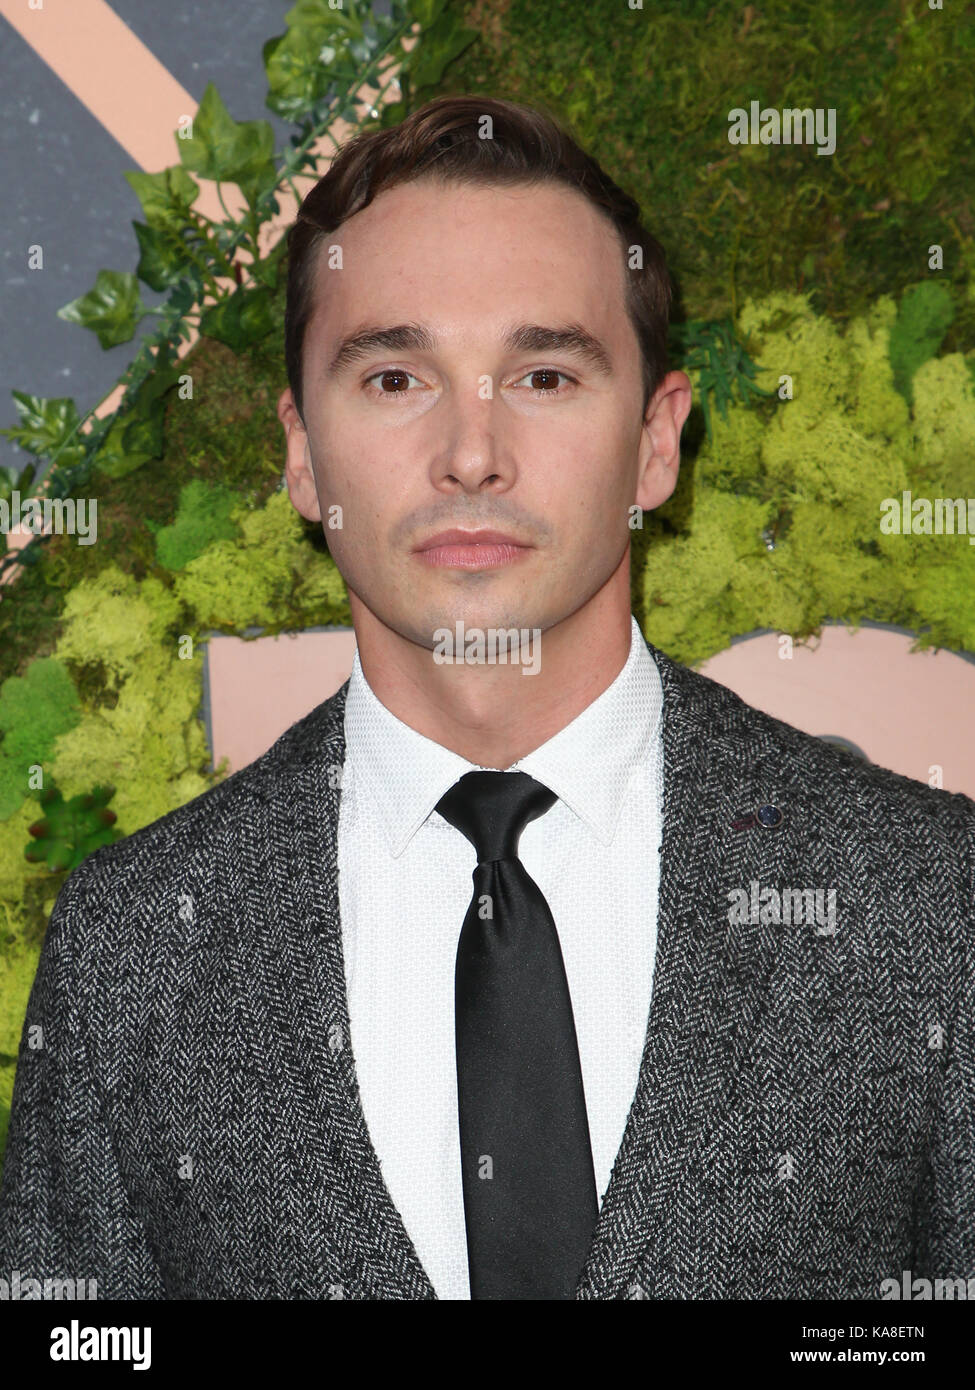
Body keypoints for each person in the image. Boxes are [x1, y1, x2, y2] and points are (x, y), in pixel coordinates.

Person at [0, 95, 972, 1301]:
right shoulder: (132, 947)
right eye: (398, 375)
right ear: (302, 453)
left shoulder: (933, 902)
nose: (472, 452)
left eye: (547, 374)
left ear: (657, 441)